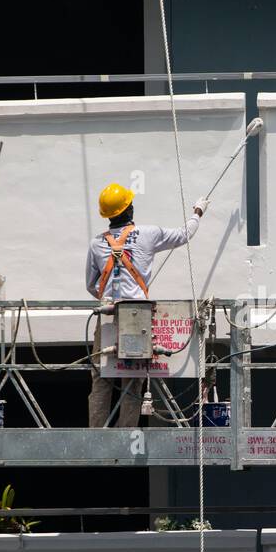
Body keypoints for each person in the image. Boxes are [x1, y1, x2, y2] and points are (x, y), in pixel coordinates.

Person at [85, 182, 208, 427]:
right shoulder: (148, 234)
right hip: (137, 316)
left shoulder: (97, 244)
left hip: (108, 313)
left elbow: (91, 286)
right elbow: (184, 234)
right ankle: (126, 431)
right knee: (132, 376)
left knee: (101, 376)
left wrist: (110, 294)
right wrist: (197, 212)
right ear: (129, 209)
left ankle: (96, 434)